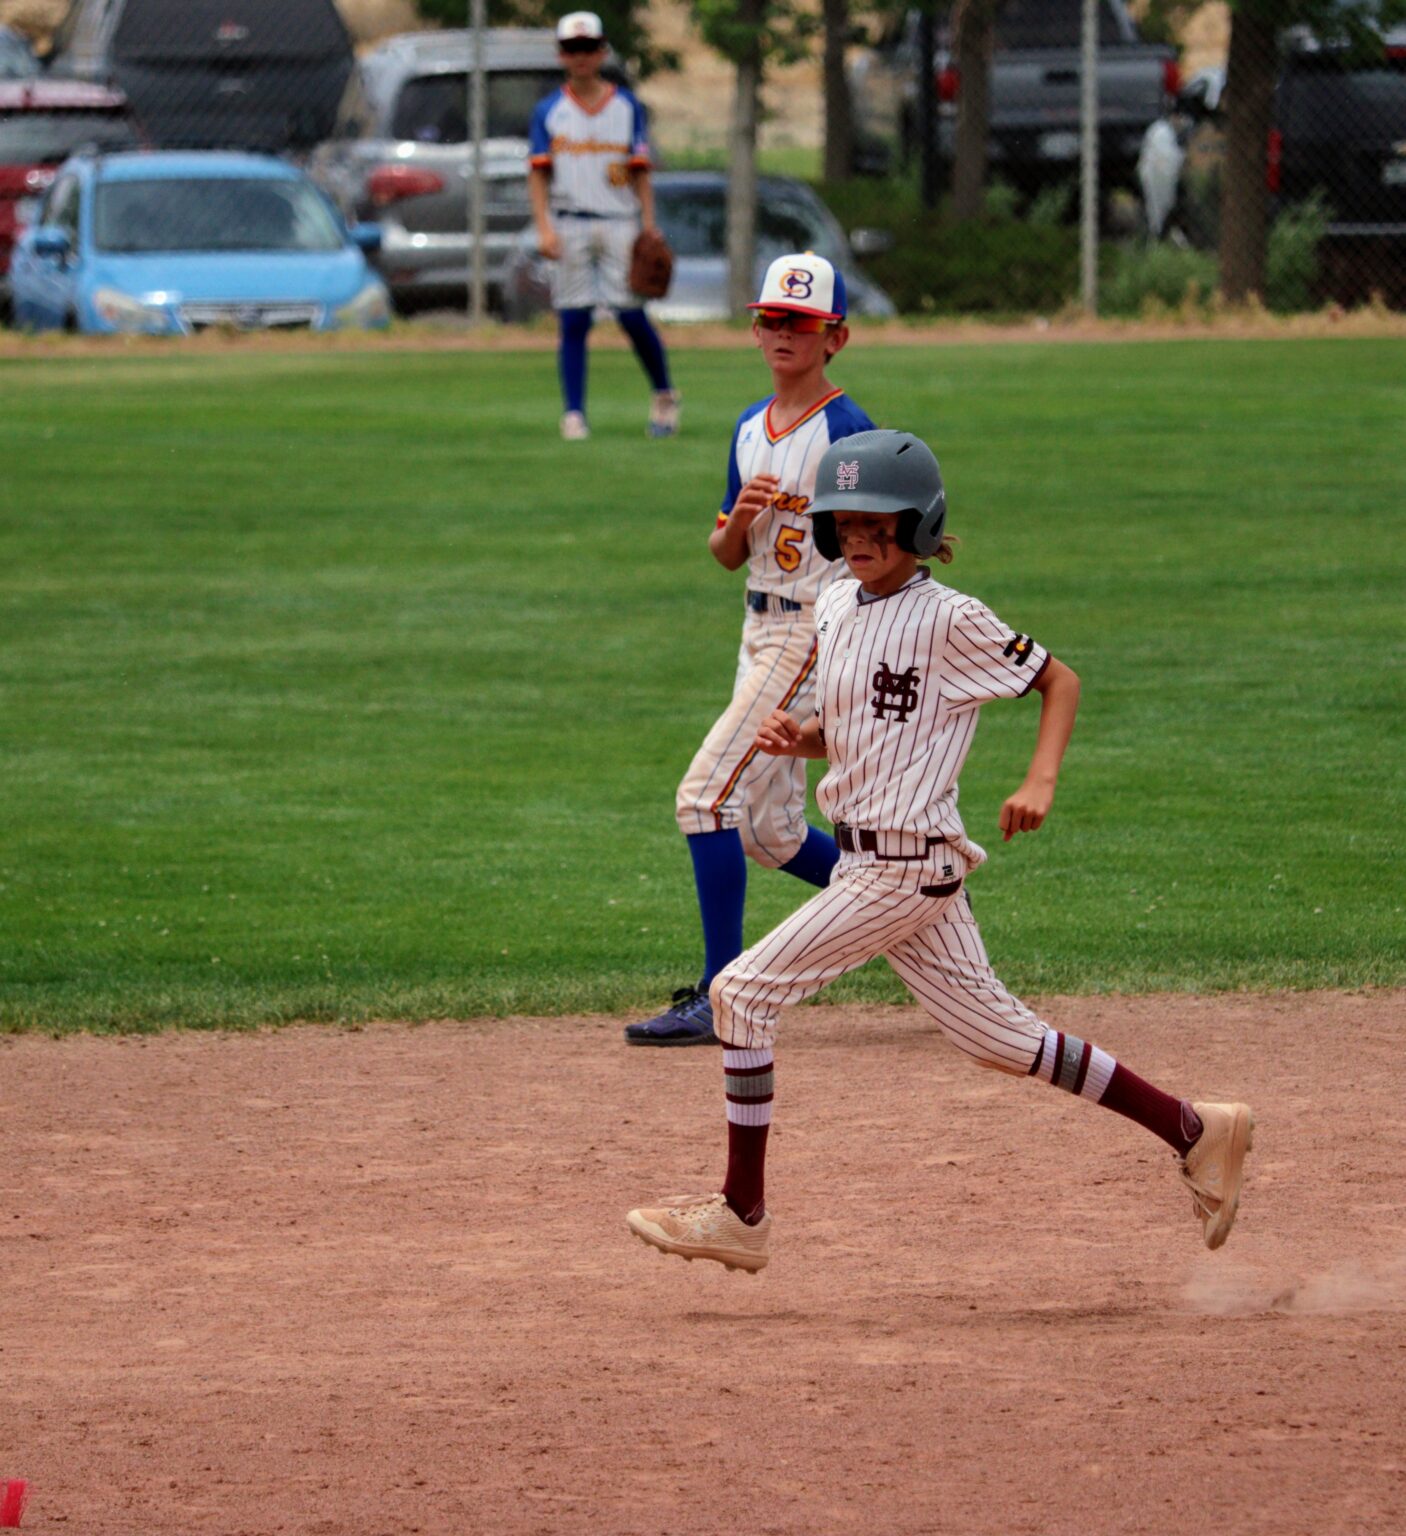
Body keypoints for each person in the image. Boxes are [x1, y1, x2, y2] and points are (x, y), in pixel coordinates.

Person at [626, 429, 1254, 1270]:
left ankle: (743, 1214)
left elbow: (1057, 680)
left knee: (741, 995)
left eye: (876, 523)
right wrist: (799, 740)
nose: (856, 538)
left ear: (921, 526)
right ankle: (1196, 1128)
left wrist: (1041, 782)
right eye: (843, 523)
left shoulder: (951, 618)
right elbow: (858, 733)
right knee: (1002, 1040)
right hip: (872, 862)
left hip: (904, 865)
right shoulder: (840, 606)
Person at [623, 252, 877, 1047]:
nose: (783, 334)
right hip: (756, 627)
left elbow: (879, 548)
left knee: (704, 797)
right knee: (768, 834)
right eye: (771, 319)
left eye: (800, 323)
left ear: (835, 336)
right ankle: (917, 901)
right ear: (754, 328)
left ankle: (721, 994)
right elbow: (726, 552)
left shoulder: (847, 430)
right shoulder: (745, 426)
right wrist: (743, 521)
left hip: (812, 628)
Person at [527, 10, 678, 442]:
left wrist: (649, 226)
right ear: (561, 55)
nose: (581, 57)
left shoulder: (626, 106)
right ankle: (574, 413)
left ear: (602, 51)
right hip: (570, 220)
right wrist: (544, 228)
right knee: (574, 319)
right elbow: (538, 173)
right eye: (573, 49)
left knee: (631, 314)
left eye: (588, 47)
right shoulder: (549, 111)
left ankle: (664, 395)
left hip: (619, 221)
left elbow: (641, 171)